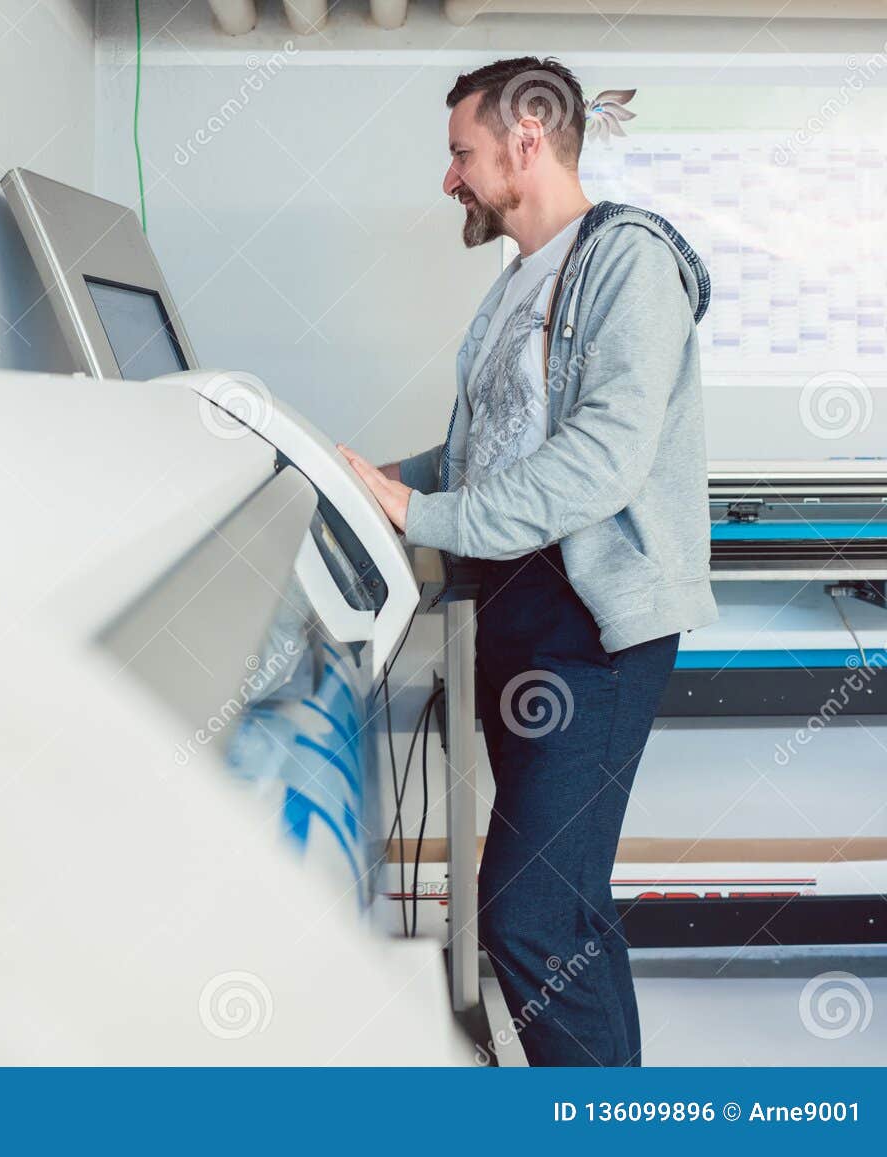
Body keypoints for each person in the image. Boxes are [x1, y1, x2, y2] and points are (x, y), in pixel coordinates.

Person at [339, 57, 717, 1066]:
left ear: (526, 136)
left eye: (461, 153)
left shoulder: (626, 262)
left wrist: (417, 508)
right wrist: (363, 479)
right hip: (518, 616)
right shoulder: (519, 284)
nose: (450, 178)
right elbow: (485, 458)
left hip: (586, 631)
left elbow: (598, 458)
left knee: (529, 917)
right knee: (567, 907)